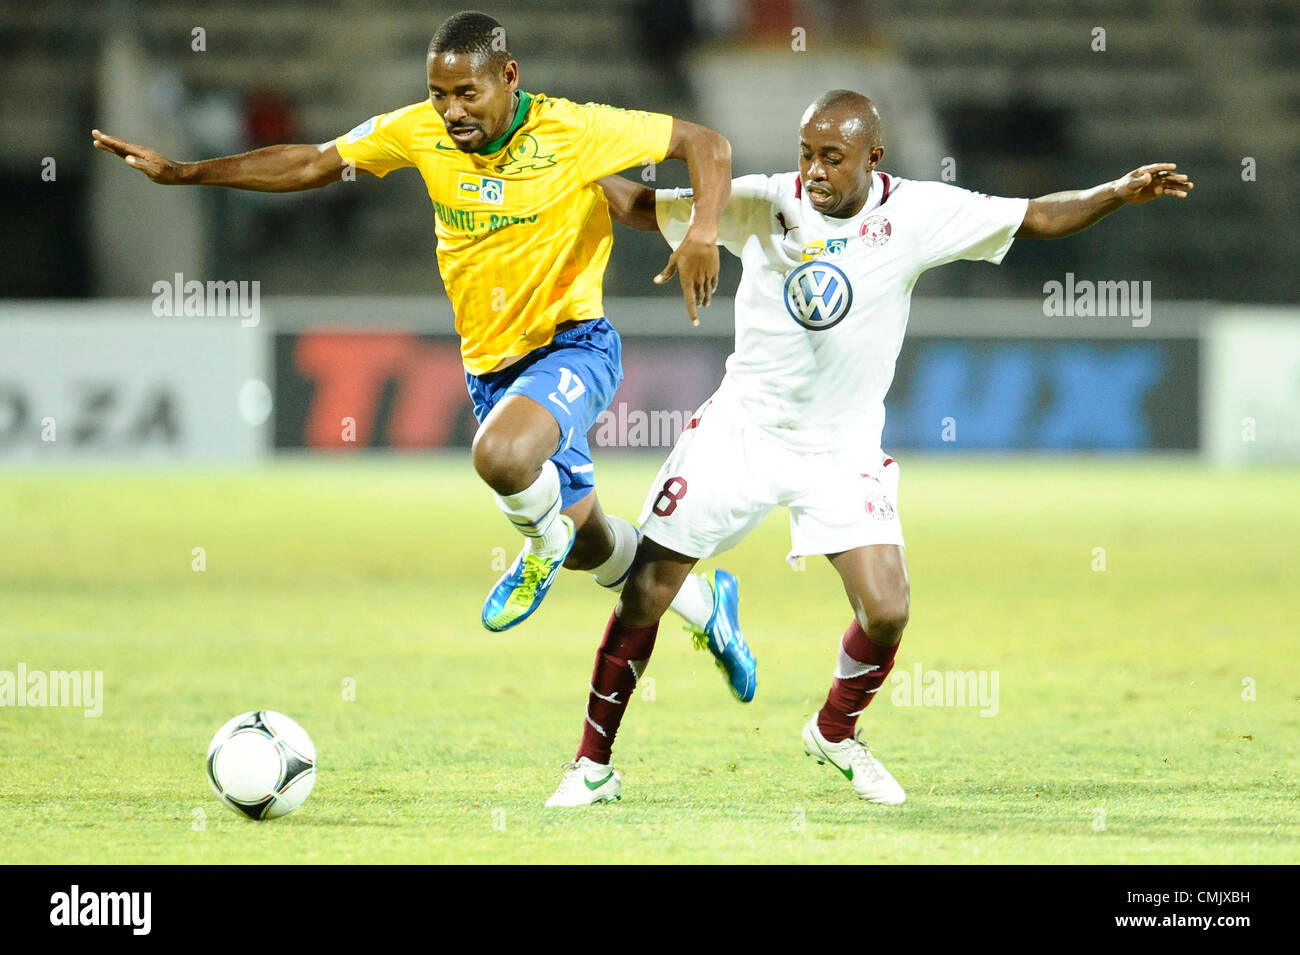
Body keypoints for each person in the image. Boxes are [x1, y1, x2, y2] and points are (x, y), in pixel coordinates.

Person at [544, 88, 1192, 807]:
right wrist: (570, 162)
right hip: (742, 430)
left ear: (873, 157)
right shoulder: (762, 201)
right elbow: (642, 208)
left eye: (832, 157)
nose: (814, 171)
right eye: (806, 154)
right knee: (646, 591)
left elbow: (1035, 216)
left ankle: (834, 731)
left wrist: (1116, 192)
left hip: (841, 447)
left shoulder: (917, 214)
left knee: (887, 610)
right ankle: (592, 765)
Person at [90, 10, 758, 698]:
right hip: (490, 368)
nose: (451, 111)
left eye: (467, 93)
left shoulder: (574, 129)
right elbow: (315, 161)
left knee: (501, 459)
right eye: (439, 94)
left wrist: (703, 231)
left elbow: (704, 142)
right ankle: (707, 606)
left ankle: (538, 546)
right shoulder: (419, 130)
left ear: (509, 76)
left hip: (572, 344)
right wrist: (186, 172)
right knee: (592, 547)